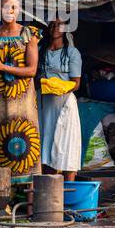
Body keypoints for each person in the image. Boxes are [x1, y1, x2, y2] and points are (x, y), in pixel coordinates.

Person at [0, 0, 41, 176]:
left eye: (14, 7)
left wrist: (2, 66)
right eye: (6, 7)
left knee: (26, 143)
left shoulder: (28, 34)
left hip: (22, 102)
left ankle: (30, 202)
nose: (10, 11)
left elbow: (32, 71)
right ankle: (1, 196)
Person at [38, 18, 84, 180]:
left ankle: (68, 193)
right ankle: (49, 191)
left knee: (66, 144)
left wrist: (60, 86)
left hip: (64, 103)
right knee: (46, 144)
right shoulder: (40, 50)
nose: (56, 28)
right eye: (52, 25)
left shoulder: (72, 53)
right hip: (45, 103)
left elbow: (76, 84)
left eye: (60, 25)